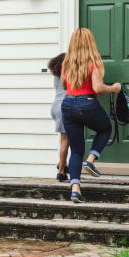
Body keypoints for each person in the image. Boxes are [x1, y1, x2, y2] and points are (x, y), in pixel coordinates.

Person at [60, 28, 122, 204]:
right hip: (86, 103)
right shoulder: (93, 62)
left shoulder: (67, 63)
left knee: (76, 149)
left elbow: (65, 85)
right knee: (105, 128)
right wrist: (114, 88)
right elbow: (97, 88)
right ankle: (91, 159)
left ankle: (75, 189)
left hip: (68, 104)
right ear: (90, 42)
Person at [48, 52, 68, 182]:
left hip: (55, 106)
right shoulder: (68, 74)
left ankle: (63, 163)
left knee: (63, 139)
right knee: (66, 140)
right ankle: (61, 171)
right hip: (64, 107)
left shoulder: (56, 74)